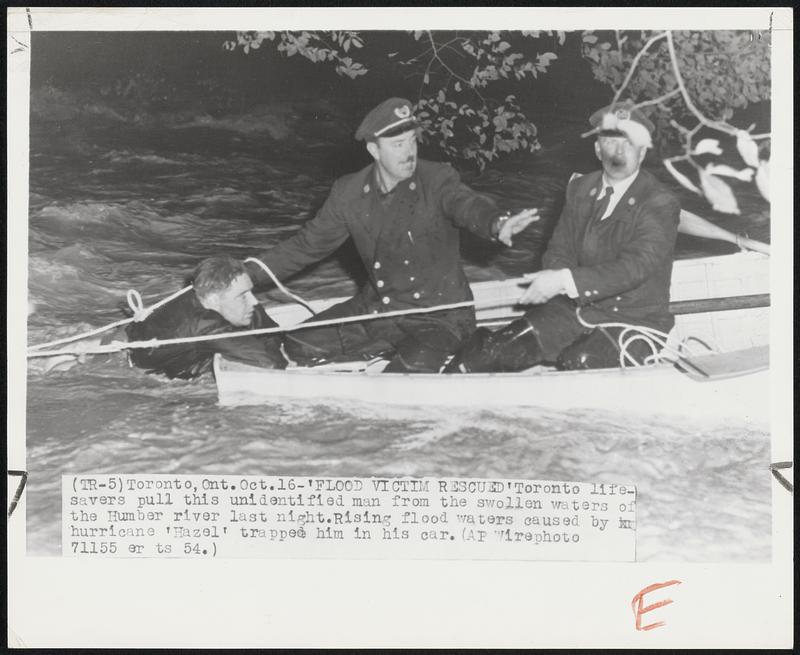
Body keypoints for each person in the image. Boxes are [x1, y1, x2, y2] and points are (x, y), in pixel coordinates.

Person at [245, 97, 538, 373]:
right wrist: (247, 276)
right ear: (374, 150)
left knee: (406, 375)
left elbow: (467, 203)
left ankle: (408, 359)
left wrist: (496, 223)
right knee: (298, 345)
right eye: (398, 145)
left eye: (412, 142)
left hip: (440, 317)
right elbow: (307, 245)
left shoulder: (436, 179)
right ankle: (374, 353)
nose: (409, 153)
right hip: (378, 308)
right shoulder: (348, 192)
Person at [444, 100, 681, 373]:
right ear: (597, 148)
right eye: (611, 141)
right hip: (576, 311)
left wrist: (564, 280)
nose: (618, 151)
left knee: (578, 362)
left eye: (629, 143)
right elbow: (559, 250)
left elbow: (636, 266)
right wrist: (554, 278)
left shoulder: (660, 201)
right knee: (489, 352)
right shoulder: (580, 188)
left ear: (642, 153)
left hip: (635, 321)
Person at [126, 256, 286, 379]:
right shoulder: (207, 326)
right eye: (242, 296)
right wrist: (262, 343)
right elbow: (272, 363)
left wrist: (260, 329)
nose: (254, 301)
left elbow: (275, 333)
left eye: (250, 292)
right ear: (214, 300)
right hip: (136, 369)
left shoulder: (200, 295)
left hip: (137, 339)